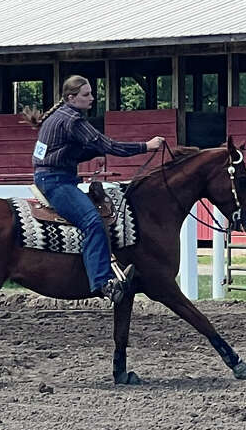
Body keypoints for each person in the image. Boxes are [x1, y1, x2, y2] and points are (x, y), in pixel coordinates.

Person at [29, 75, 165, 304]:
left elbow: (58, 153)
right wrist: (146, 146)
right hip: (57, 182)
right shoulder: (73, 120)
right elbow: (109, 145)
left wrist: (93, 151)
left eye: (91, 93)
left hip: (48, 177)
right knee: (92, 221)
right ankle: (102, 282)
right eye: (86, 95)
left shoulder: (57, 115)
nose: (92, 98)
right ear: (72, 98)